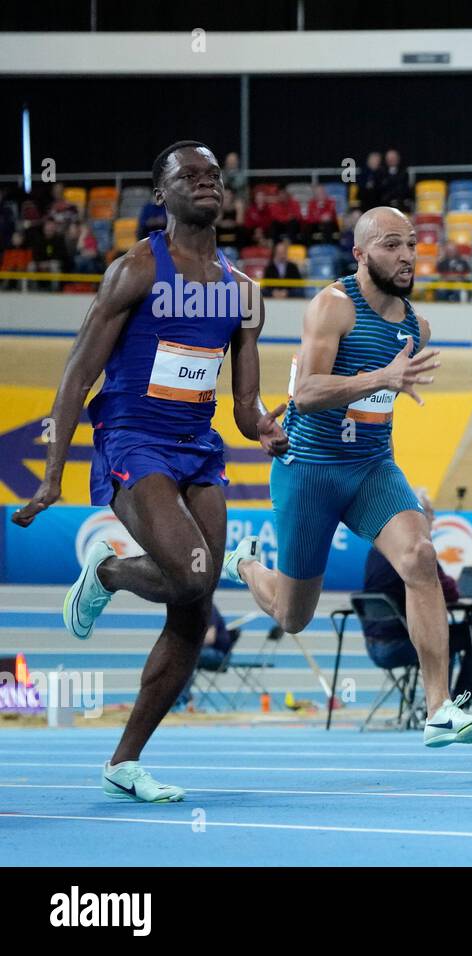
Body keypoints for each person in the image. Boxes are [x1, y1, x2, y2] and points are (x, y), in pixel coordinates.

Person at [12, 141, 289, 802]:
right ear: (158, 196)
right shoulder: (135, 270)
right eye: (188, 176)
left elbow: (244, 408)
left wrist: (269, 431)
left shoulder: (244, 295)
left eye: (214, 176)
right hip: (132, 440)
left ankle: (124, 761)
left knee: (194, 607)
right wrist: (52, 476)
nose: (206, 183)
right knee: (194, 573)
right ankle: (107, 571)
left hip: (198, 447)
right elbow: (78, 374)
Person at [227, 205, 472, 749]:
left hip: (372, 467)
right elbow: (307, 393)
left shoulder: (417, 327)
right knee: (292, 615)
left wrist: (388, 384)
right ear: (361, 253)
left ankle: (439, 708)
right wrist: (384, 376)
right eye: (391, 245)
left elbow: (371, 399)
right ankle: (246, 565)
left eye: (412, 244)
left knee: (421, 557)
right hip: (311, 471)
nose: (406, 255)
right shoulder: (333, 306)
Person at [362, 510, 472, 709]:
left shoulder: (376, 550)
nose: (433, 519)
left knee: (440, 631)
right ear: (414, 516)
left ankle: (441, 704)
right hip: (402, 644)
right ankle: (456, 703)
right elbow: (449, 592)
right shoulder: (416, 549)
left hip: (374, 644)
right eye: (429, 513)